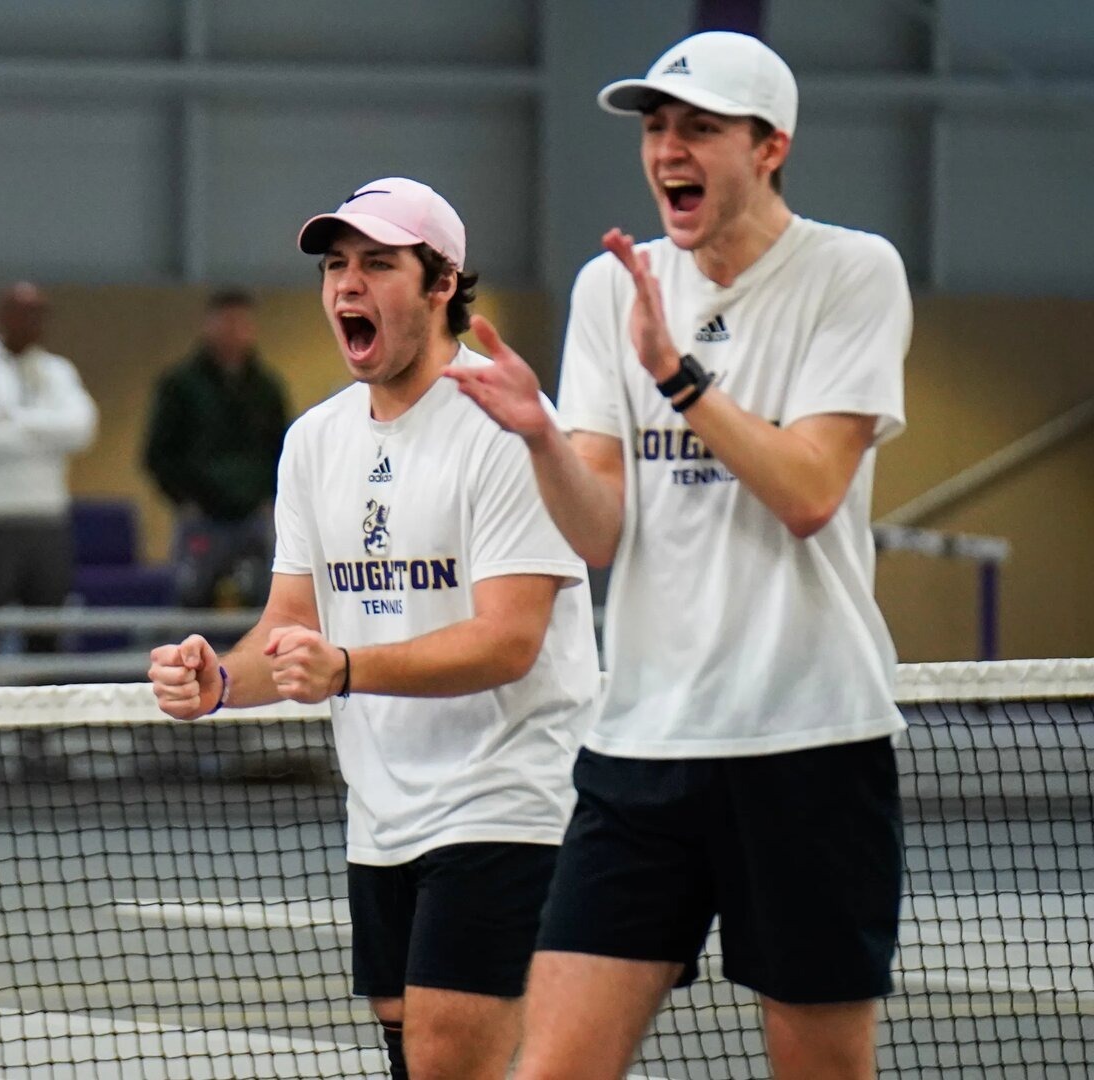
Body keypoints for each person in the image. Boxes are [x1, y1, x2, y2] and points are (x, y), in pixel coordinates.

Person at [446, 32, 910, 1080]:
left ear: (770, 145)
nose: (668, 149)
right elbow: (602, 529)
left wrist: (680, 375)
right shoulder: (614, 287)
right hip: (641, 750)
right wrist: (538, 436)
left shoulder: (853, 273)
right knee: (552, 1068)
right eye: (657, 127)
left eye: (699, 127)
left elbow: (807, 492)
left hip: (810, 745)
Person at [148, 178, 600, 1080]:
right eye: (336, 266)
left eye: (378, 265)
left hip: (508, 798)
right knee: (409, 1045)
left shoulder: (509, 429)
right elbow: (289, 628)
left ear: (442, 286)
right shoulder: (314, 441)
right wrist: (224, 681)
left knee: (444, 1055)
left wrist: (347, 667)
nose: (347, 285)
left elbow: (510, 638)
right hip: (381, 810)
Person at [0, 282, 97, 652]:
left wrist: (15, 419)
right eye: (24, 312)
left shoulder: (58, 371)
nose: (33, 322)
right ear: (3, 316)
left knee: (47, 630)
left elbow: (82, 429)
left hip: (47, 518)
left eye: (40, 314)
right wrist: (50, 429)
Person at [143, 288, 289, 607]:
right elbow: (157, 454)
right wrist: (184, 499)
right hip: (201, 517)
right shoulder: (179, 385)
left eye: (241, 323)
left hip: (253, 516)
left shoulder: (267, 388)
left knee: (263, 604)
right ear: (208, 325)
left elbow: (282, 450)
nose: (234, 330)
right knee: (191, 602)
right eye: (226, 322)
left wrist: (271, 496)